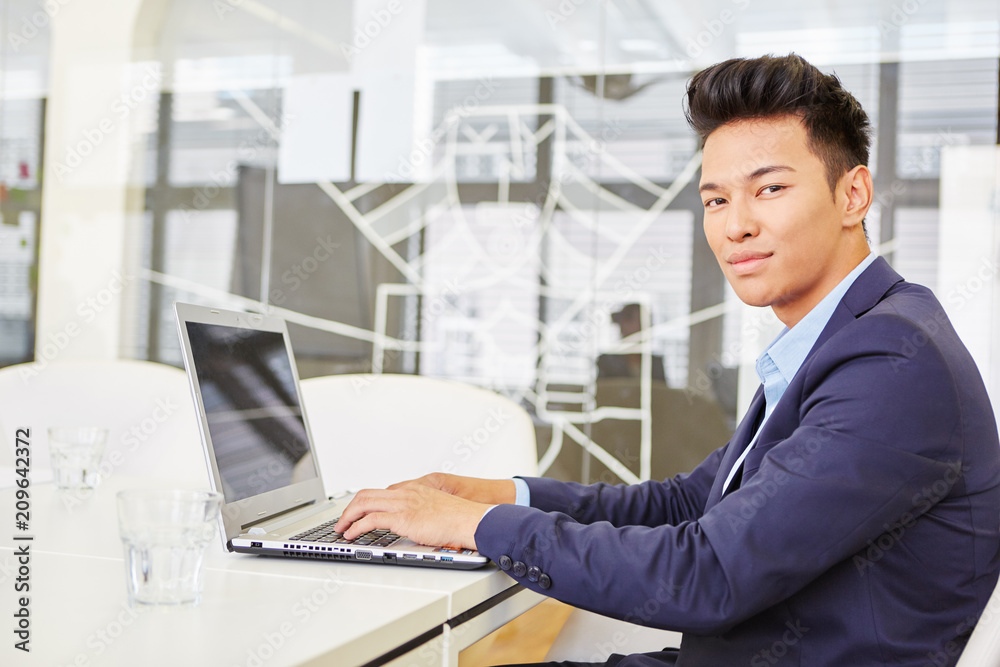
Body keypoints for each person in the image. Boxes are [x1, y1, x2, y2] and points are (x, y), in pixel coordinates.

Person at [335, 54, 1000, 666]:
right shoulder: (844, 340)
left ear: (853, 195)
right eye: (715, 199)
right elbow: (690, 502)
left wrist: (477, 525)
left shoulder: (891, 363)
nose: (735, 224)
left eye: (768, 189)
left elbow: (709, 575)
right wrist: (509, 494)